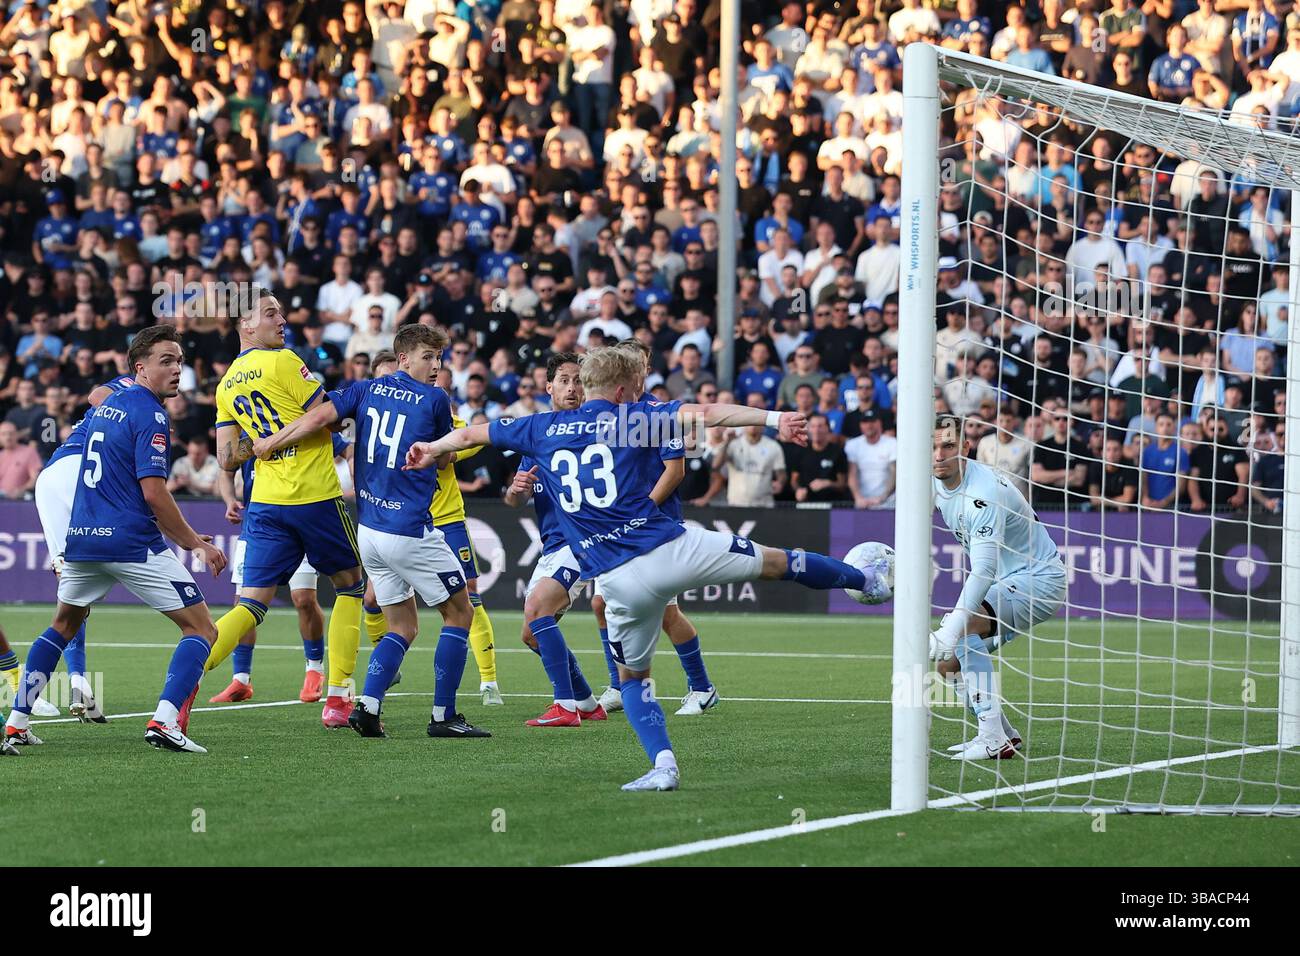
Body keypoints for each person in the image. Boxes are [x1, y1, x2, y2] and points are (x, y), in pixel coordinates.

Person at [404, 346, 895, 791]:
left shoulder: (540, 427)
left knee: (634, 679)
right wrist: (774, 417)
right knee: (778, 563)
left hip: (618, 579)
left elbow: (471, 432)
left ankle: (662, 765)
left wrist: (431, 449)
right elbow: (708, 414)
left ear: (588, 386)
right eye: (634, 386)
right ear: (621, 391)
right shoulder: (637, 418)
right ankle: (865, 579)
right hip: (671, 547)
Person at [250, 324, 488, 738]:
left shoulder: (363, 389)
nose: (436, 366)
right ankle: (443, 716)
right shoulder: (435, 399)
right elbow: (445, 460)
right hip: (410, 530)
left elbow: (320, 417)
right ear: (404, 359)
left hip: (371, 531)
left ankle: (367, 707)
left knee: (403, 626)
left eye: (439, 359)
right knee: (460, 612)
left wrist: (271, 442)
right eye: (427, 357)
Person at [5, 326, 228, 754]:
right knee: (201, 628)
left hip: (84, 537)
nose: (177, 368)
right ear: (140, 368)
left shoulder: (109, 407)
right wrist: (194, 544)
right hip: (129, 541)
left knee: (63, 625)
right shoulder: (152, 414)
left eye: (180, 360)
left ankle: (16, 723)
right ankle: (164, 721)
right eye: (167, 360)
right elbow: (153, 492)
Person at [204, 292, 368, 730]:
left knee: (251, 605)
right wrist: (286, 433)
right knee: (350, 586)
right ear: (246, 325)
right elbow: (326, 418)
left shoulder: (226, 385)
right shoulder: (283, 362)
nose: (283, 320)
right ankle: (337, 698)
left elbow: (226, 457)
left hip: (267, 504)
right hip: (314, 496)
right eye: (271, 313)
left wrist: (262, 442)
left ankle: (185, 681)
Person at [929, 414, 1068, 761]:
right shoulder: (933, 482)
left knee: (960, 633)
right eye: (932, 446)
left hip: (1039, 579)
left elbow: (985, 570)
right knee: (948, 666)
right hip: (1011, 582)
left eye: (948, 446)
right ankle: (1004, 733)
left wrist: (951, 628)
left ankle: (991, 738)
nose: (939, 454)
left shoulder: (983, 493)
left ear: (965, 447)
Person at [208, 431, 352, 705]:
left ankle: (314, 669)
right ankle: (241, 679)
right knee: (243, 604)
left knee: (304, 599)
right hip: (259, 524)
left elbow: (347, 450)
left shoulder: (304, 422)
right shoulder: (249, 433)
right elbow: (226, 468)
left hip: (304, 519)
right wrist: (229, 500)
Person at [503, 352, 607, 726]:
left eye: (579, 380)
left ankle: (564, 706)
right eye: (564, 380)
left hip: (582, 542)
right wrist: (517, 489)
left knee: (537, 609)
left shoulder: (597, 425)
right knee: (532, 634)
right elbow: (514, 500)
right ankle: (587, 702)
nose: (572, 387)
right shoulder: (537, 433)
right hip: (553, 547)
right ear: (548, 387)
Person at [31, 372, 137, 722]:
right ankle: (73, 683)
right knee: (84, 591)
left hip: (51, 478)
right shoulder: (139, 398)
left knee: (72, 592)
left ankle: (74, 686)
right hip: (83, 477)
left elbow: (94, 399)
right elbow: (96, 395)